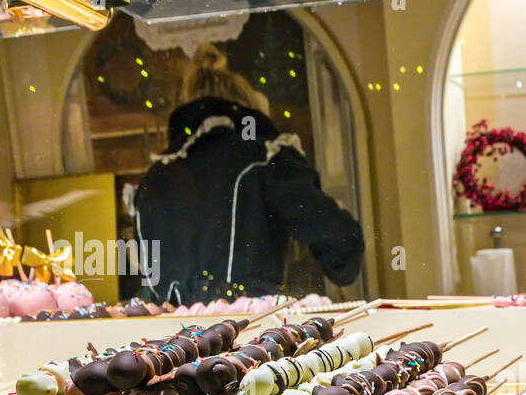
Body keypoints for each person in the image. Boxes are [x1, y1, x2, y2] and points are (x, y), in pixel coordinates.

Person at [134, 44, 364, 304]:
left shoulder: (155, 179)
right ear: (247, 107)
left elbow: (149, 283)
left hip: (172, 338)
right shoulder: (265, 158)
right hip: (250, 330)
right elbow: (342, 248)